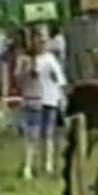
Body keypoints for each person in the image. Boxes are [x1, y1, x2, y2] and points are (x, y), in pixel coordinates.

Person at [14, 25, 68, 179]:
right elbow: (18, 80)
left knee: (48, 134)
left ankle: (47, 165)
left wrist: (60, 94)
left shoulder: (50, 58)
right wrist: (27, 72)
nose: (42, 40)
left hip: (50, 99)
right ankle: (27, 167)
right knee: (32, 134)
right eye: (38, 37)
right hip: (32, 99)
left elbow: (60, 80)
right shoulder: (24, 59)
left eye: (44, 37)